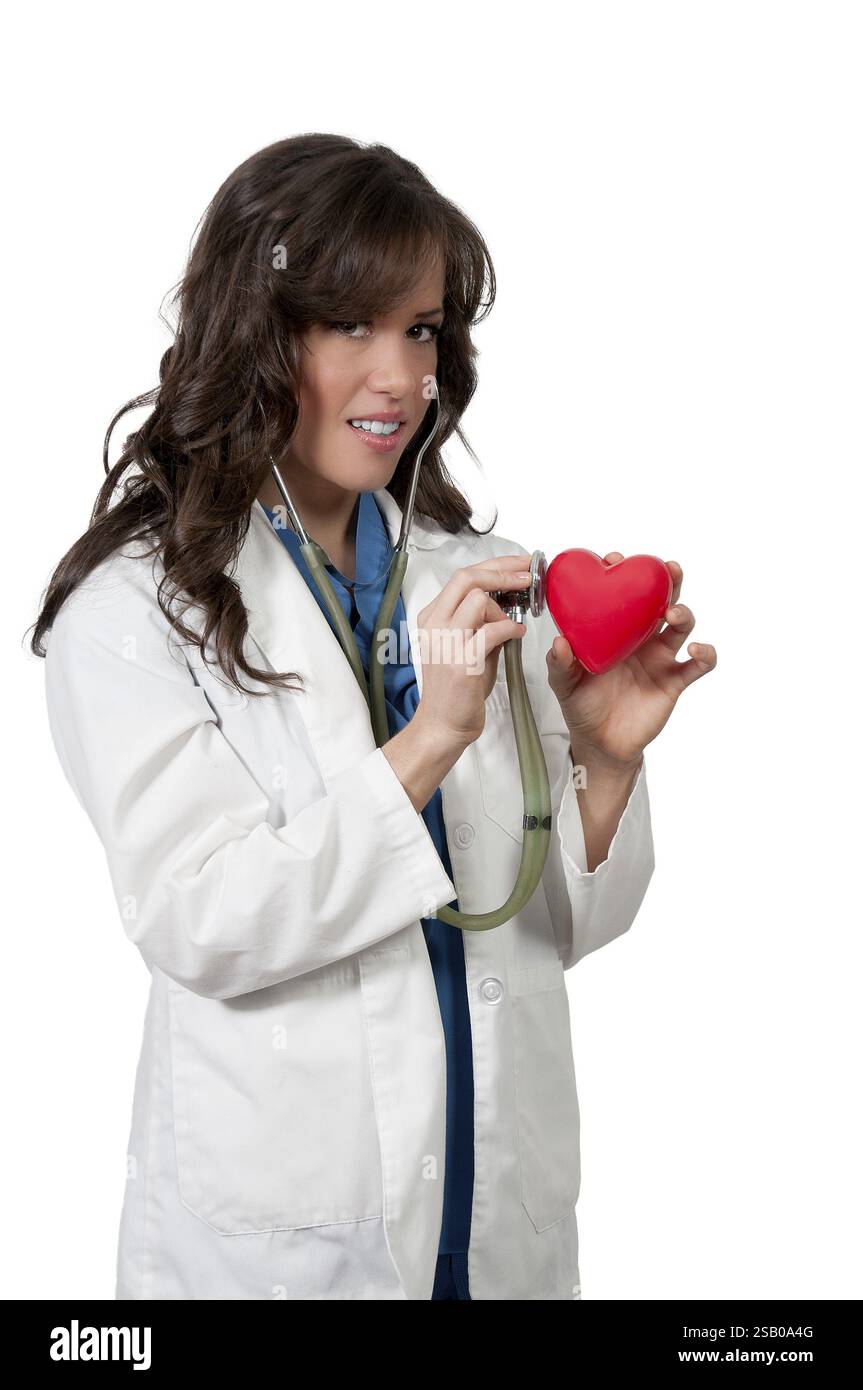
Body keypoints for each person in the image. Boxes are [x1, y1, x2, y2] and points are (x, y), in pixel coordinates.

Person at [31, 134, 716, 1301]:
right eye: (349, 325)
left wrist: (599, 761)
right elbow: (201, 917)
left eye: (420, 327)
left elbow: (554, 924)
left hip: (490, 1211)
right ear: (257, 329)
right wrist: (427, 742)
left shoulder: (477, 572)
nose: (398, 376)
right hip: (288, 1241)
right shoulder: (135, 607)